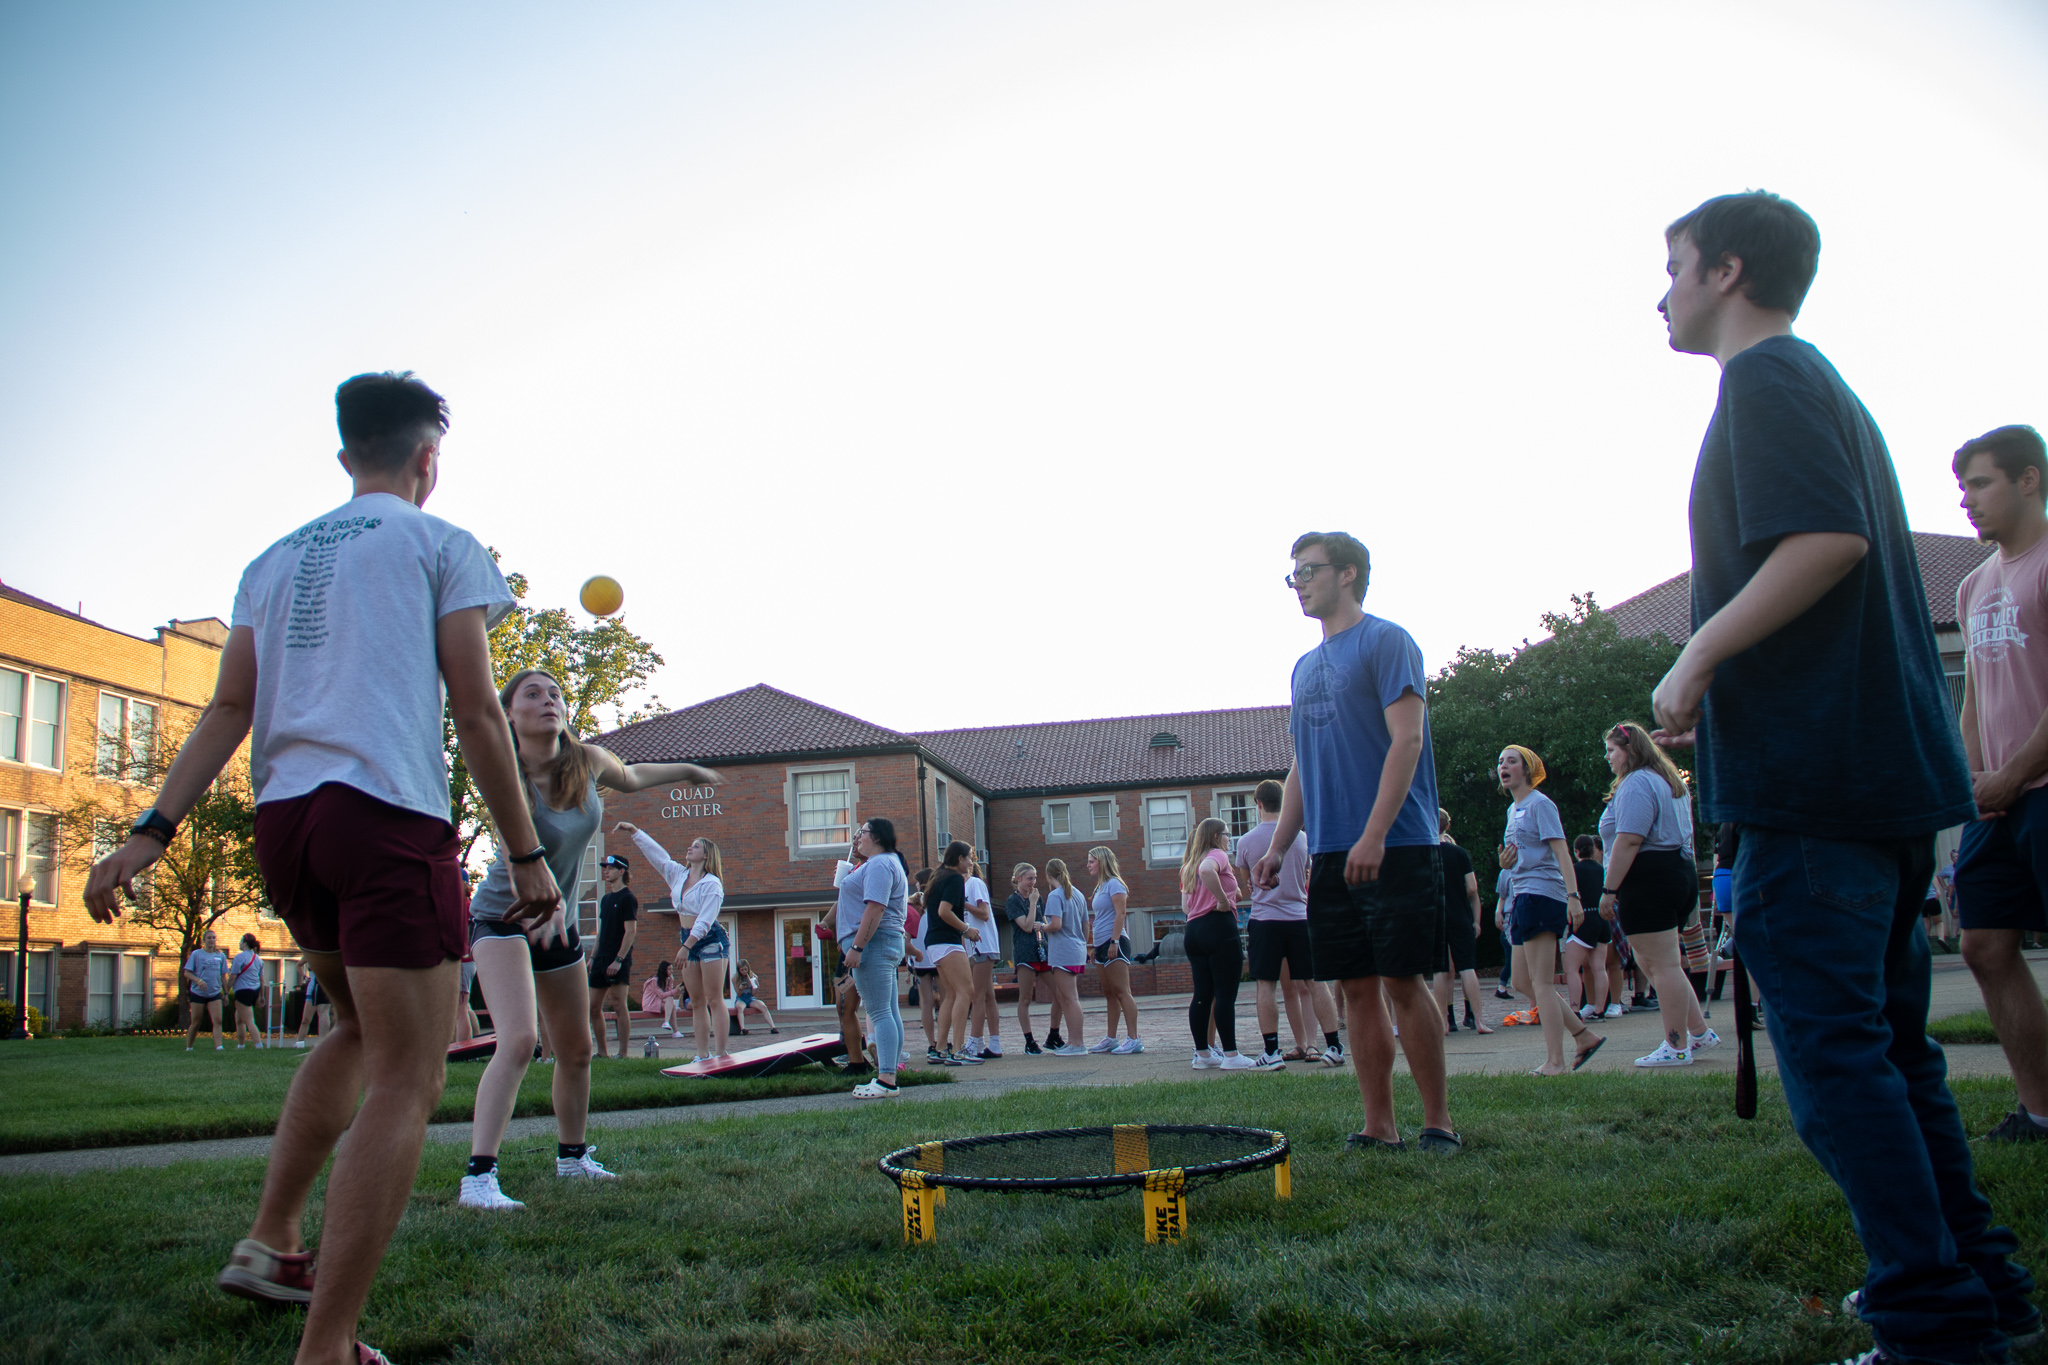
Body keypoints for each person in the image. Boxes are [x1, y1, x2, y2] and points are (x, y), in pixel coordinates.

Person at [83, 371, 558, 1364]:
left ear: (346, 454)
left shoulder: (273, 558)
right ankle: (327, 1344)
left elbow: (228, 707)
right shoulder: (439, 542)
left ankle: (270, 1239)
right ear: (428, 458)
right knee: (409, 1073)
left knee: (352, 1029)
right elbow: (476, 713)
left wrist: (151, 832)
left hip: (287, 827)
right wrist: (527, 857)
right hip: (384, 823)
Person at [1648, 191, 2035, 1363]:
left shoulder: (1764, 381)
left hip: (1813, 789)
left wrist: (1696, 655)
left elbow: (1826, 543)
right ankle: (1981, 1295)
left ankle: (1928, 1322)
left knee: (1834, 1068)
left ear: (1724, 269)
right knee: (1891, 1057)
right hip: (1870, 782)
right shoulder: (1819, 388)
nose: (1656, 293)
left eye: (1668, 267)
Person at [461, 669, 721, 1212]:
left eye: (555, 693)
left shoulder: (585, 760)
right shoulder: (500, 768)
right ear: (508, 713)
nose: (548, 700)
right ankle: (478, 1178)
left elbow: (630, 775)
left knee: (577, 1048)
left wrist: (688, 770)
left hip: (557, 923)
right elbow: (517, 851)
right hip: (504, 915)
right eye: (532, 693)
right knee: (516, 1041)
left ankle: (572, 1157)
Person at [1253, 531, 1459, 1152]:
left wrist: (1374, 834)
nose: (1299, 584)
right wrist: (1279, 845)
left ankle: (1438, 1124)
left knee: (1402, 981)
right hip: (1333, 853)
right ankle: (1379, 1125)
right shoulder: (1305, 666)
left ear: (1347, 574)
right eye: (1293, 575)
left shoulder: (1387, 642)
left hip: (1396, 845)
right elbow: (1303, 765)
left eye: (1308, 572)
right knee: (1356, 988)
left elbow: (1408, 740)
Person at [1952, 421, 2048, 1144]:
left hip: (2041, 790)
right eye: (1962, 488)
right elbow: (1974, 700)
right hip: (1997, 805)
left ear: (2028, 478)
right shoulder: (1973, 586)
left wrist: (2015, 773)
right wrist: (1975, 781)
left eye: (1980, 482)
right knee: (1984, 945)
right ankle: (2040, 1112)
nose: (1968, 501)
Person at [1592, 723, 1712, 1067]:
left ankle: (1676, 1046)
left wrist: (1609, 891)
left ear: (1630, 751)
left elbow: (1629, 840)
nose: (1607, 757)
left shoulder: (1637, 783)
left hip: (1649, 878)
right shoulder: (1671, 782)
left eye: (1612, 750)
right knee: (1657, 962)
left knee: (1663, 965)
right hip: (1677, 872)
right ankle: (1699, 1033)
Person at [1498, 745, 1607, 1075]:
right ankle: (1583, 1034)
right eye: (1501, 762)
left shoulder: (1540, 804)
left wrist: (1573, 897)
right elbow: (1521, 856)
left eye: (1511, 761)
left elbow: (1561, 852)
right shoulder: (1512, 809)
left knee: (1541, 982)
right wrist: (1506, 864)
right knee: (1520, 980)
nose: (1504, 766)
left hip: (1543, 895)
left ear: (1527, 770)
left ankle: (1556, 1061)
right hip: (1521, 896)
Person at [1237, 778, 1346, 1067]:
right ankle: (1334, 1047)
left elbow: (1245, 882)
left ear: (1257, 804)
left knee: (1265, 985)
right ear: (1284, 802)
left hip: (1265, 919)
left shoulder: (1246, 841)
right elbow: (1308, 875)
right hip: (1300, 917)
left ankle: (1271, 1053)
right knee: (1315, 983)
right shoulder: (1302, 838)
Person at [622, 826, 730, 1064]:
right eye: (691, 844)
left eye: (696, 846)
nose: (690, 848)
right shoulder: (678, 875)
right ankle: (703, 1055)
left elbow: (705, 920)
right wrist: (636, 832)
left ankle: (722, 1054)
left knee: (714, 998)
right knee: (697, 1001)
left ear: (706, 855)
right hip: (687, 937)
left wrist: (687, 945)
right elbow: (659, 857)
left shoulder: (712, 884)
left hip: (710, 939)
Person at [1179, 817, 1260, 1070]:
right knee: (1225, 994)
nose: (1229, 838)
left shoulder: (1188, 864)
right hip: (1218, 927)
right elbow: (1208, 871)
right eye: (1227, 834)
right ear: (1216, 837)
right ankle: (1231, 1055)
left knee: (1202, 994)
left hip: (1194, 930)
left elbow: (1186, 906)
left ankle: (1203, 1054)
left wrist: (1223, 893)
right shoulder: (1217, 855)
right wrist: (1223, 900)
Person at [842, 817, 912, 1097]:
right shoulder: (885, 863)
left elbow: (875, 908)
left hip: (875, 944)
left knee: (880, 1012)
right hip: (885, 943)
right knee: (889, 1012)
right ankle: (889, 1074)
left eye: (863, 832)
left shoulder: (881, 864)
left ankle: (886, 1080)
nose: (858, 837)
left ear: (879, 836)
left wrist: (857, 947)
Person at [1430, 811, 1494, 1037]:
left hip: (1436, 916)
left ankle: (1444, 1023)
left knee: (1440, 970)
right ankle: (1479, 1020)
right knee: (1467, 968)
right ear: (1447, 826)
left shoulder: (1425, 853)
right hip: (1459, 914)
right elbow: (1472, 888)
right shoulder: (1459, 853)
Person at [922, 841, 981, 1065]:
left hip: (935, 943)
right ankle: (958, 1050)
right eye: (969, 858)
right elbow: (944, 911)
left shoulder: (940, 877)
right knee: (967, 991)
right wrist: (967, 930)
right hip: (948, 942)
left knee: (952, 995)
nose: (971, 862)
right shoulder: (955, 878)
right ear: (959, 859)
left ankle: (940, 1048)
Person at [1086, 847, 1142, 1054]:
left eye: (1091, 861)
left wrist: (1114, 941)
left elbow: (1121, 914)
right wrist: (1093, 946)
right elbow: (1099, 919)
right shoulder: (1100, 887)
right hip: (1101, 945)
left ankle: (1134, 1038)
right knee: (1109, 993)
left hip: (1114, 943)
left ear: (1102, 861)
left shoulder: (1114, 884)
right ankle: (1111, 1038)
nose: (1088, 865)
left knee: (1122, 991)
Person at [586, 854, 639, 1060]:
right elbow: (601, 931)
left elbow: (631, 931)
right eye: (605, 868)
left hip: (618, 960)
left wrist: (618, 960)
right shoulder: (606, 899)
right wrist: (593, 956)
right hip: (600, 958)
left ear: (622, 871)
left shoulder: (628, 897)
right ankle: (602, 1051)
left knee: (619, 1004)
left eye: (610, 868)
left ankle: (623, 1053)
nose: (605, 871)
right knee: (593, 1007)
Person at [1041, 857, 1089, 1055]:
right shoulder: (1078, 894)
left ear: (1049, 876)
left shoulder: (1055, 895)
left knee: (1070, 999)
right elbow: (1086, 925)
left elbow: (1056, 925)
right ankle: (1072, 1042)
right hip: (1077, 949)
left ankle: (1077, 1043)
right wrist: (1081, 943)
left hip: (1063, 951)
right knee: (1064, 996)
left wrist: (1041, 926)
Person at [1004, 863, 1050, 1054]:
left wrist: (1043, 923)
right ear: (1019, 879)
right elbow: (1027, 926)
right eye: (1029, 878)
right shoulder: (1013, 901)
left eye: (1035, 878)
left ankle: (1054, 1034)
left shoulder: (1038, 898)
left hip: (1042, 950)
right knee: (1025, 998)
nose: (1033, 882)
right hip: (1025, 953)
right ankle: (1029, 1040)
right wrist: (1032, 903)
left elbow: (1044, 922)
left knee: (1061, 992)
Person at [1567, 835, 1613, 1020]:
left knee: (1571, 967)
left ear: (1576, 851)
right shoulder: (1602, 869)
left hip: (1583, 917)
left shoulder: (1574, 870)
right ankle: (1600, 1009)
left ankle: (1575, 1009)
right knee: (1599, 967)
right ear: (1593, 850)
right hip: (1602, 918)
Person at [963, 858, 1004, 1059]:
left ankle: (975, 1041)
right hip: (974, 947)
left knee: (976, 995)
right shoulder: (964, 886)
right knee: (987, 995)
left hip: (983, 945)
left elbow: (984, 913)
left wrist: (963, 904)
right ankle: (993, 1043)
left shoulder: (975, 884)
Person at [182, 929, 228, 1052]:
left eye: (213, 937)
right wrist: (198, 980)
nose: (211, 940)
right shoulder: (197, 954)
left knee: (218, 1020)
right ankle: (189, 1047)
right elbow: (187, 973)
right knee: (196, 1022)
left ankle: (219, 1046)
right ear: (204, 940)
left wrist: (226, 993)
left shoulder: (220, 956)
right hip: (198, 993)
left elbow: (223, 976)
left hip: (214, 992)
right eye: (209, 938)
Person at [227, 932, 265, 1048]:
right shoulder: (259, 959)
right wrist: (261, 995)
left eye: (240, 941)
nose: (239, 943)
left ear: (244, 943)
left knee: (249, 1020)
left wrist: (226, 991)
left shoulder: (240, 957)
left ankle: (259, 1045)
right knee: (239, 1019)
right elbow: (262, 979)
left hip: (243, 991)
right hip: (254, 991)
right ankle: (241, 1045)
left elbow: (233, 976)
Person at [732, 959, 776, 1035]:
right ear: (738, 970)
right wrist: (740, 988)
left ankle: (773, 1027)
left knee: (763, 1007)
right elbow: (738, 994)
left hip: (750, 998)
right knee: (740, 1008)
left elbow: (753, 994)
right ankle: (743, 1028)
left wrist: (756, 987)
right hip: (741, 998)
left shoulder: (753, 976)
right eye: (742, 970)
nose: (744, 972)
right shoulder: (735, 978)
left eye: (745, 969)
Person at [292, 958, 328, 1049]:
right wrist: (304, 976)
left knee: (323, 1012)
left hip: (324, 985)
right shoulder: (311, 952)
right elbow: (298, 965)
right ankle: (299, 1042)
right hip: (312, 987)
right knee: (306, 1019)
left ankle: (322, 1042)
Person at [643, 960, 681, 1036]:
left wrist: (671, 981)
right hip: (650, 1003)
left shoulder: (667, 980)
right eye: (669, 969)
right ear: (664, 969)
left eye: (672, 969)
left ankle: (674, 1030)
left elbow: (669, 993)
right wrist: (676, 990)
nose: (671, 971)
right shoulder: (654, 980)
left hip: (659, 1002)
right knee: (671, 1003)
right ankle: (669, 1025)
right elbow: (661, 995)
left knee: (672, 1005)